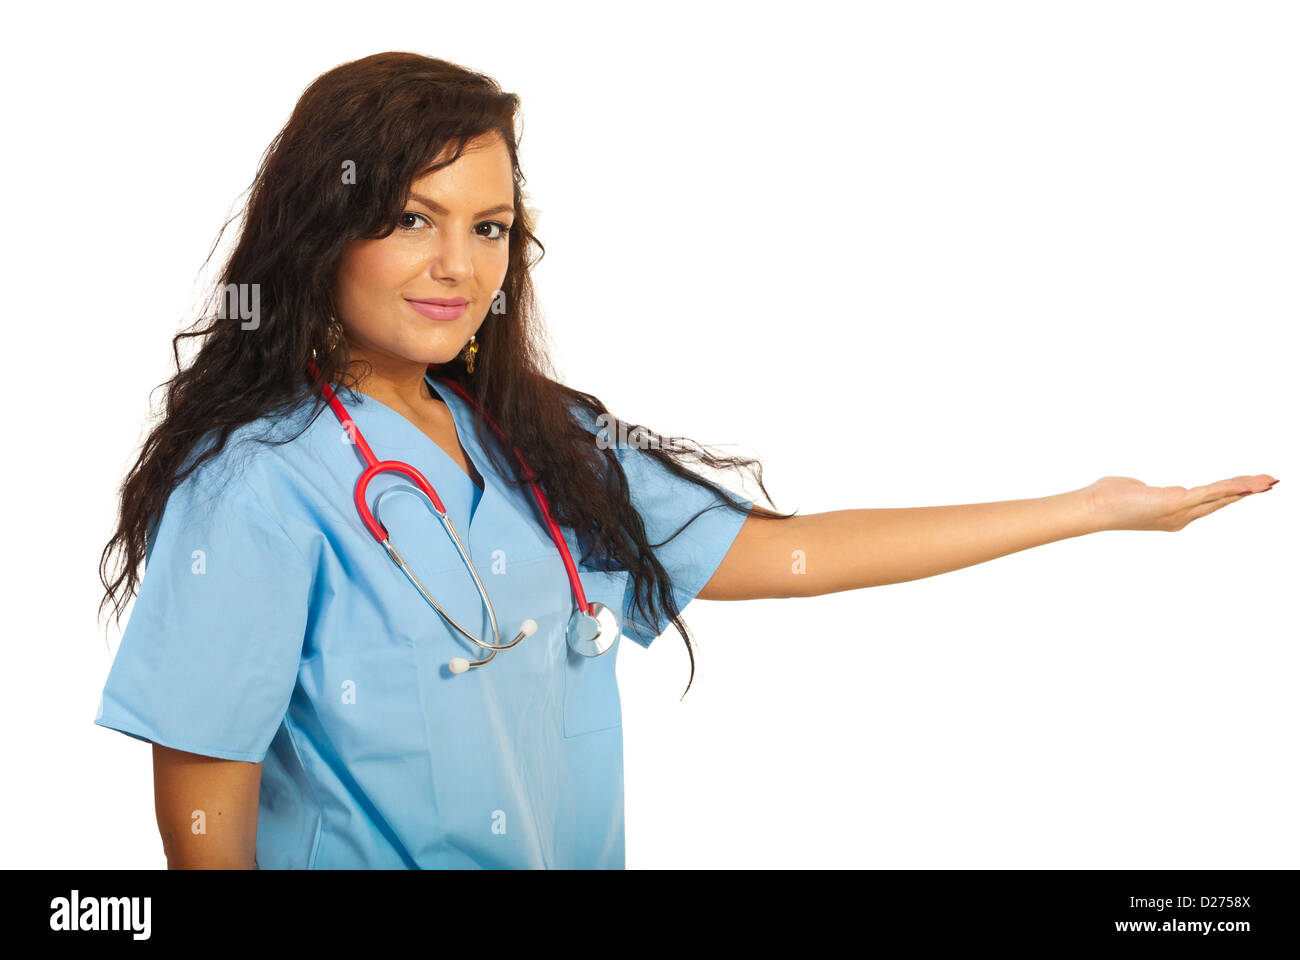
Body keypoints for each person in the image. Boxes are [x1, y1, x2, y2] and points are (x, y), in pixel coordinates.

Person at [95, 52, 1277, 870]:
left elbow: (795, 555)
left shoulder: (536, 444)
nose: (458, 264)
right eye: (411, 217)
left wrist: (1089, 509)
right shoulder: (256, 483)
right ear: (322, 229)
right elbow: (205, 816)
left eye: (489, 226)